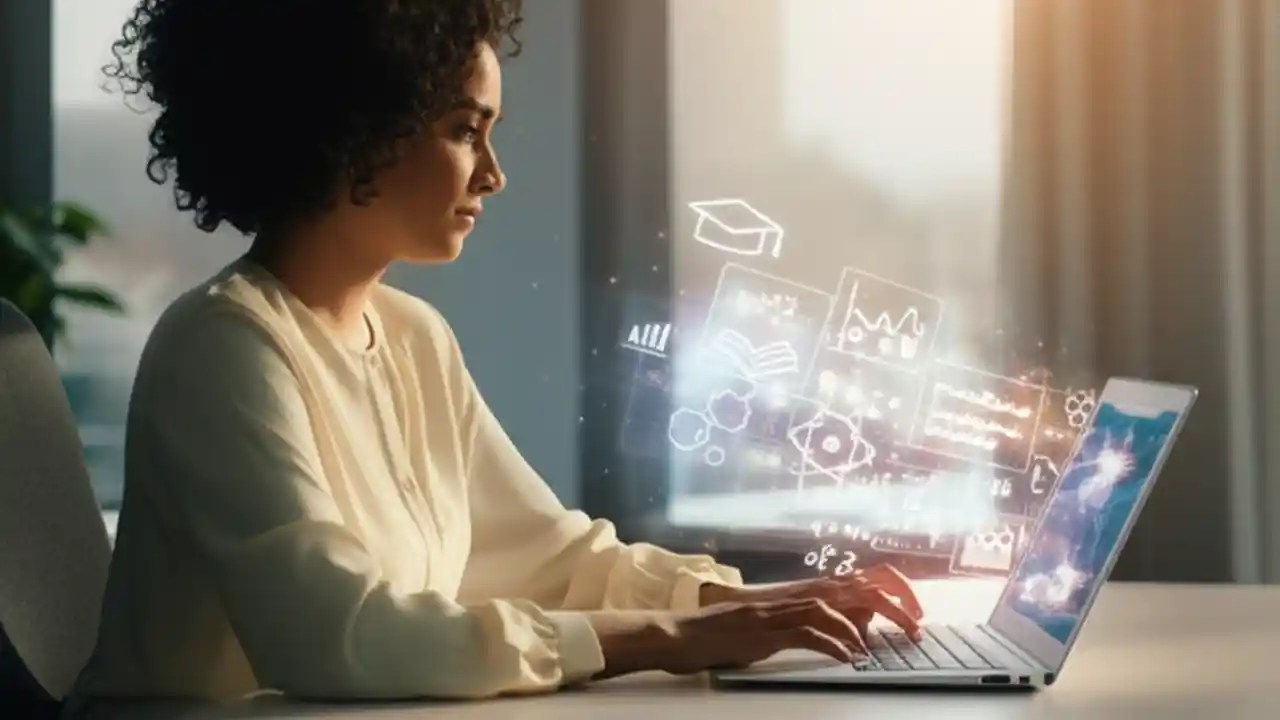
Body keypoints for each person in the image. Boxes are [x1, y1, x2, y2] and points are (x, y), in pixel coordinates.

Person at [65, 0, 924, 709]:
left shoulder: (412, 338)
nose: (493, 174)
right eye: (465, 131)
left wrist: (741, 604)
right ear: (355, 129)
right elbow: (340, 639)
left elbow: (552, 560)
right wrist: (669, 638)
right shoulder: (222, 348)